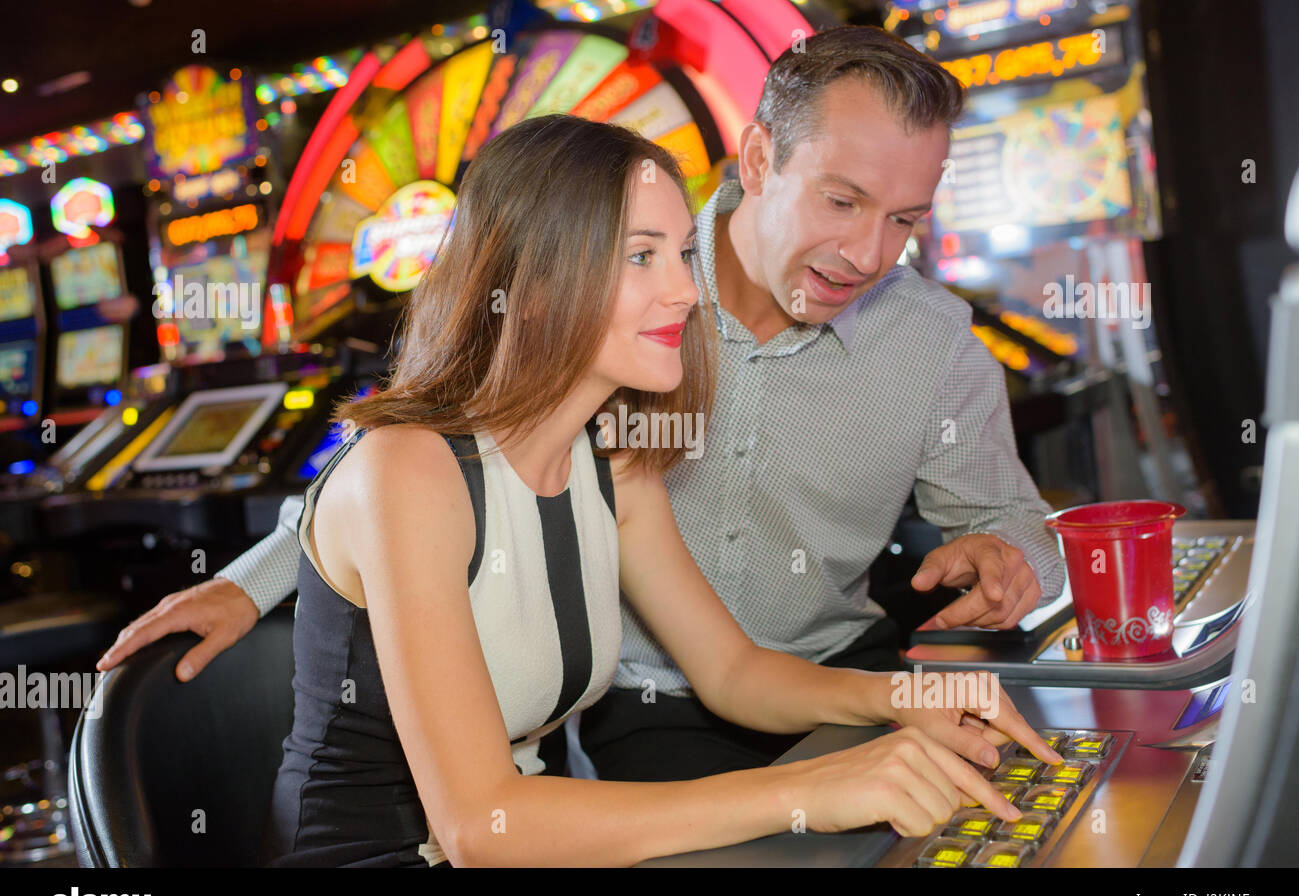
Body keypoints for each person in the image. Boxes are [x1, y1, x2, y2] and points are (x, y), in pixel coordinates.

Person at [101, 27, 1066, 790]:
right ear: (762, 158)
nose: (867, 254)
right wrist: (258, 578)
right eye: (843, 202)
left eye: (904, 221)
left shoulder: (928, 340)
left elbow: (1012, 517)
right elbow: (429, 436)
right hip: (636, 696)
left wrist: (1010, 558)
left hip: (821, 662)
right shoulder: (616, 275)